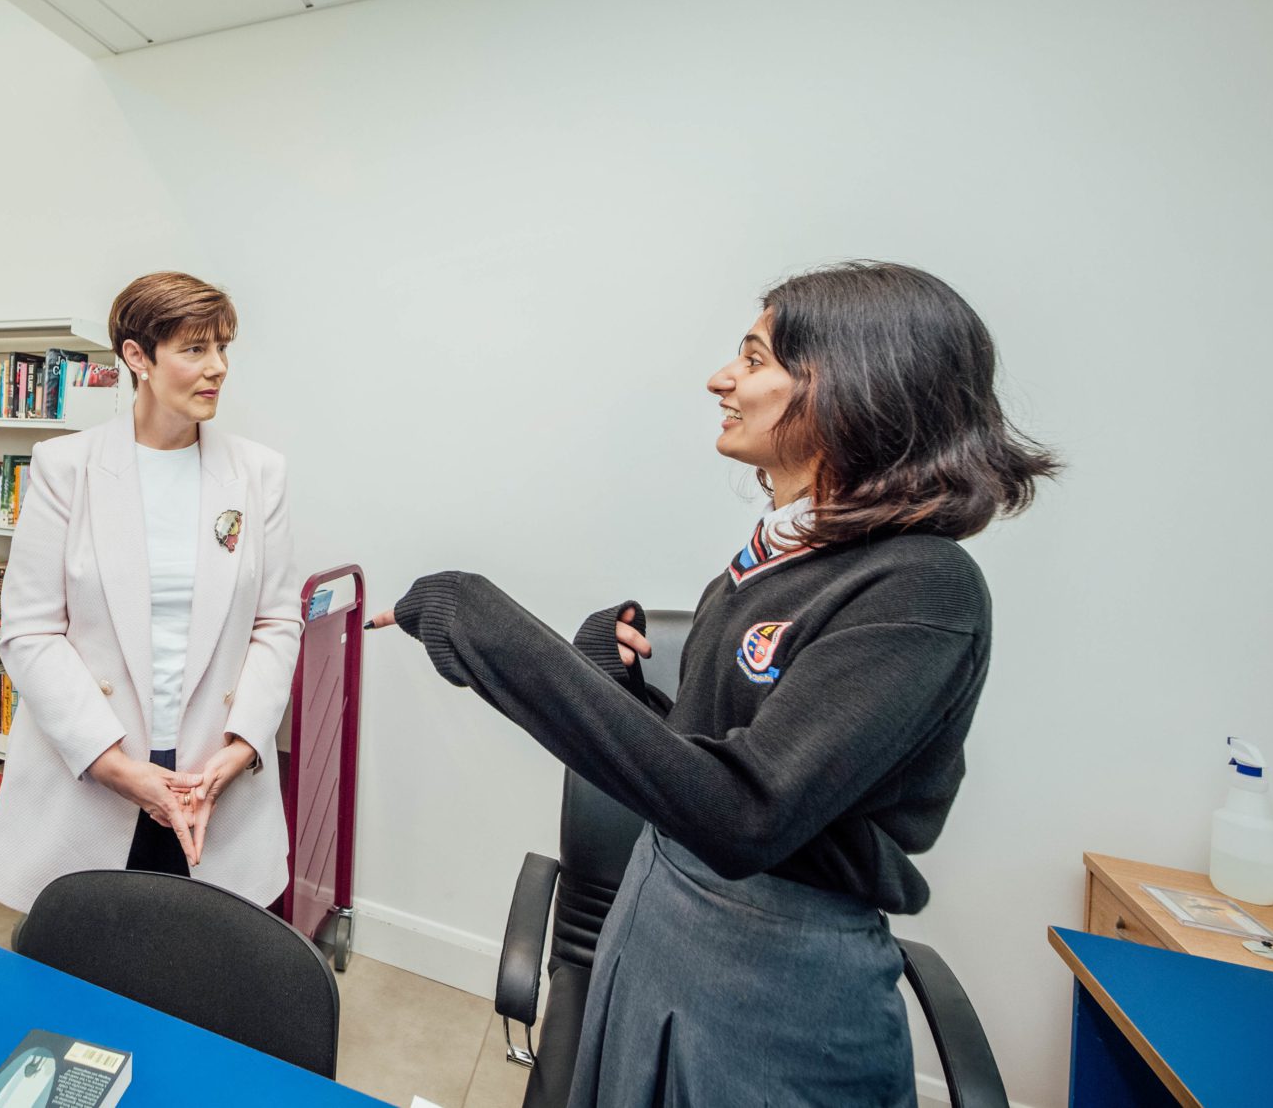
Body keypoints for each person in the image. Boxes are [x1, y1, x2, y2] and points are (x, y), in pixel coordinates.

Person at [373, 261, 1057, 1108]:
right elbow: (714, 759)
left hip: (771, 976)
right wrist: (624, 691)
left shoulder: (922, 585)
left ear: (852, 386)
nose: (721, 379)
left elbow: (747, 812)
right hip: (659, 914)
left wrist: (486, 625)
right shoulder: (775, 560)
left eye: (756, 357)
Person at [0, 271, 300, 914]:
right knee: (81, 976)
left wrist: (240, 747)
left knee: (199, 975)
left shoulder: (259, 473)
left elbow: (277, 622)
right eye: (194, 350)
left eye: (223, 348)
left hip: (210, 779)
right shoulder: (65, 467)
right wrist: (114, 764)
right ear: (137, 358)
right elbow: (30, 630)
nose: (218, 368)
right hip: (96, 768)